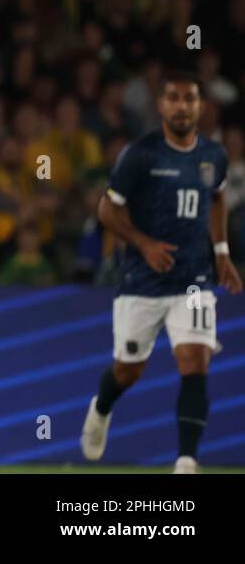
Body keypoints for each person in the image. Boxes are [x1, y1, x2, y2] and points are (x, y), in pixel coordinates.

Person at [81, 70, 243, 473]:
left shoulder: (213, 156)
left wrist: (221, 252)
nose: (182, 106)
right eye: (174, 98)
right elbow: (106, 210)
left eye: (190, 99)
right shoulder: (140, 155)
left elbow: (218, 197)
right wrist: (143, 243)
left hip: (193, 280)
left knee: (194, 359)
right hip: (142, 280)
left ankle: (186, 459)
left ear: (200, 105)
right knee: (128, 370)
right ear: (161, 105)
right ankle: (101, 407)